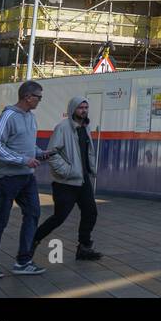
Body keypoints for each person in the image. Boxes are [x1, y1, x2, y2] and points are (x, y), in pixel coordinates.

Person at [0, 80, 49, 278]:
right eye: (39, 97)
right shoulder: (7, 116)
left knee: (33, 214)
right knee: (0, 220)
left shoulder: (31, 117)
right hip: (7, 178)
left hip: (27, 178)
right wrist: (23, 160)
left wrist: (41, 153)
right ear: (28, 97)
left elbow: (27, 146)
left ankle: (23, 261)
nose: (39, 100)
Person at [33, 95, 102, 261]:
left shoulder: (85, 127)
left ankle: (84, 247)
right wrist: (67, 171)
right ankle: (33, 240)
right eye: (80, 108)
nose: (84, 111)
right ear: (73, 109)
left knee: (90, 212)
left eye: (86, 108)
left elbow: (88, 152)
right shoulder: (62, 128)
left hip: (83, 180)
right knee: (59, 217)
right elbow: (52, 153)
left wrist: (90, 169)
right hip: (65, 183)